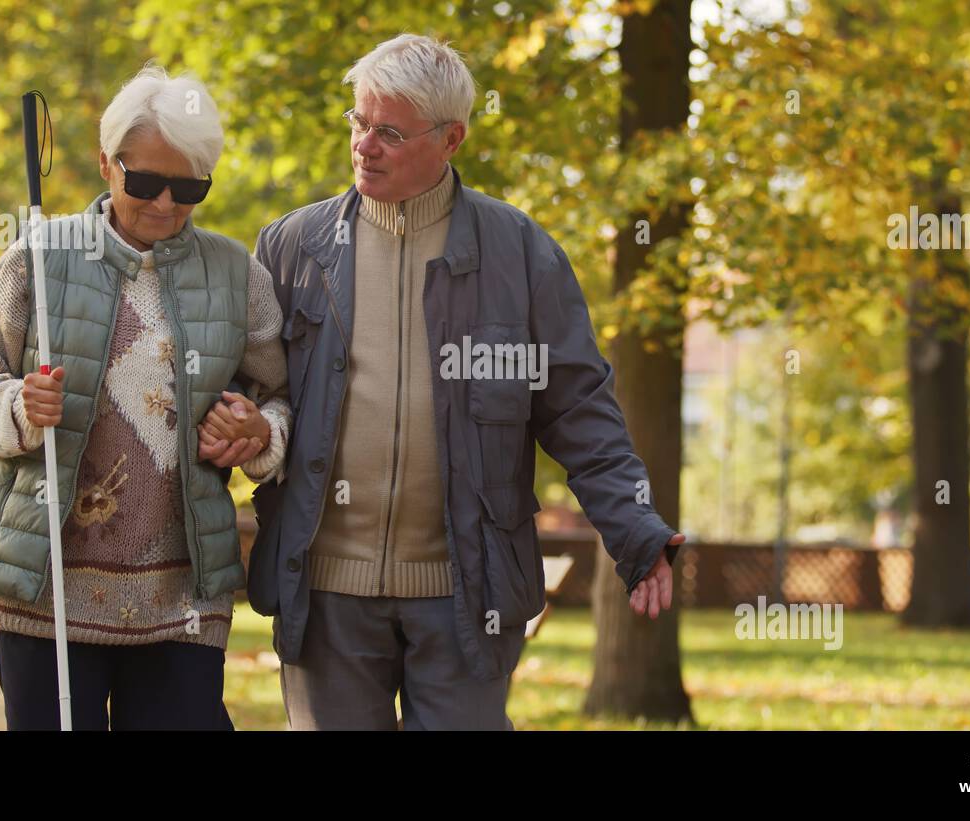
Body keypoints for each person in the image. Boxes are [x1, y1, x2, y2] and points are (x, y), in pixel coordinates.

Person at [227, 35, 685, 730]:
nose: (364, 145)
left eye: (389, 132)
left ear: (451, 139)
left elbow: (580, 410)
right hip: (323, 591)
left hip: (470, 592)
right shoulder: (292, 248)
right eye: (358, 122)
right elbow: (257, 395)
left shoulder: (521, 254)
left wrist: (637, 532)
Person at [0, 65, 291, 730]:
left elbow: (278, 397)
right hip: (44, 593)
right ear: (107, 163)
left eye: (189, 188)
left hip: (182, 602)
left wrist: (258, 432)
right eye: (145, 182)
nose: (165, 204)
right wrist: (18, 407)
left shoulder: (236, 274)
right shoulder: (37, 258)